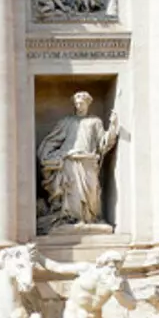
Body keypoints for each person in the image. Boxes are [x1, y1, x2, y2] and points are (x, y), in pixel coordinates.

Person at [38, 91, 119, 229]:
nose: (79, 106)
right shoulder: (66, 122)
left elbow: (103, 143)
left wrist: (112, 127)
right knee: (72, 193)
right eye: (76, 103)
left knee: (90, 192)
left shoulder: (95, 121)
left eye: (81, 103)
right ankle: (72, 219)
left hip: (88, 161)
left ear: (88, 103)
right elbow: (52, 140)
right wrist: (50, 156)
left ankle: (89, 218)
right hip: (70, 161)